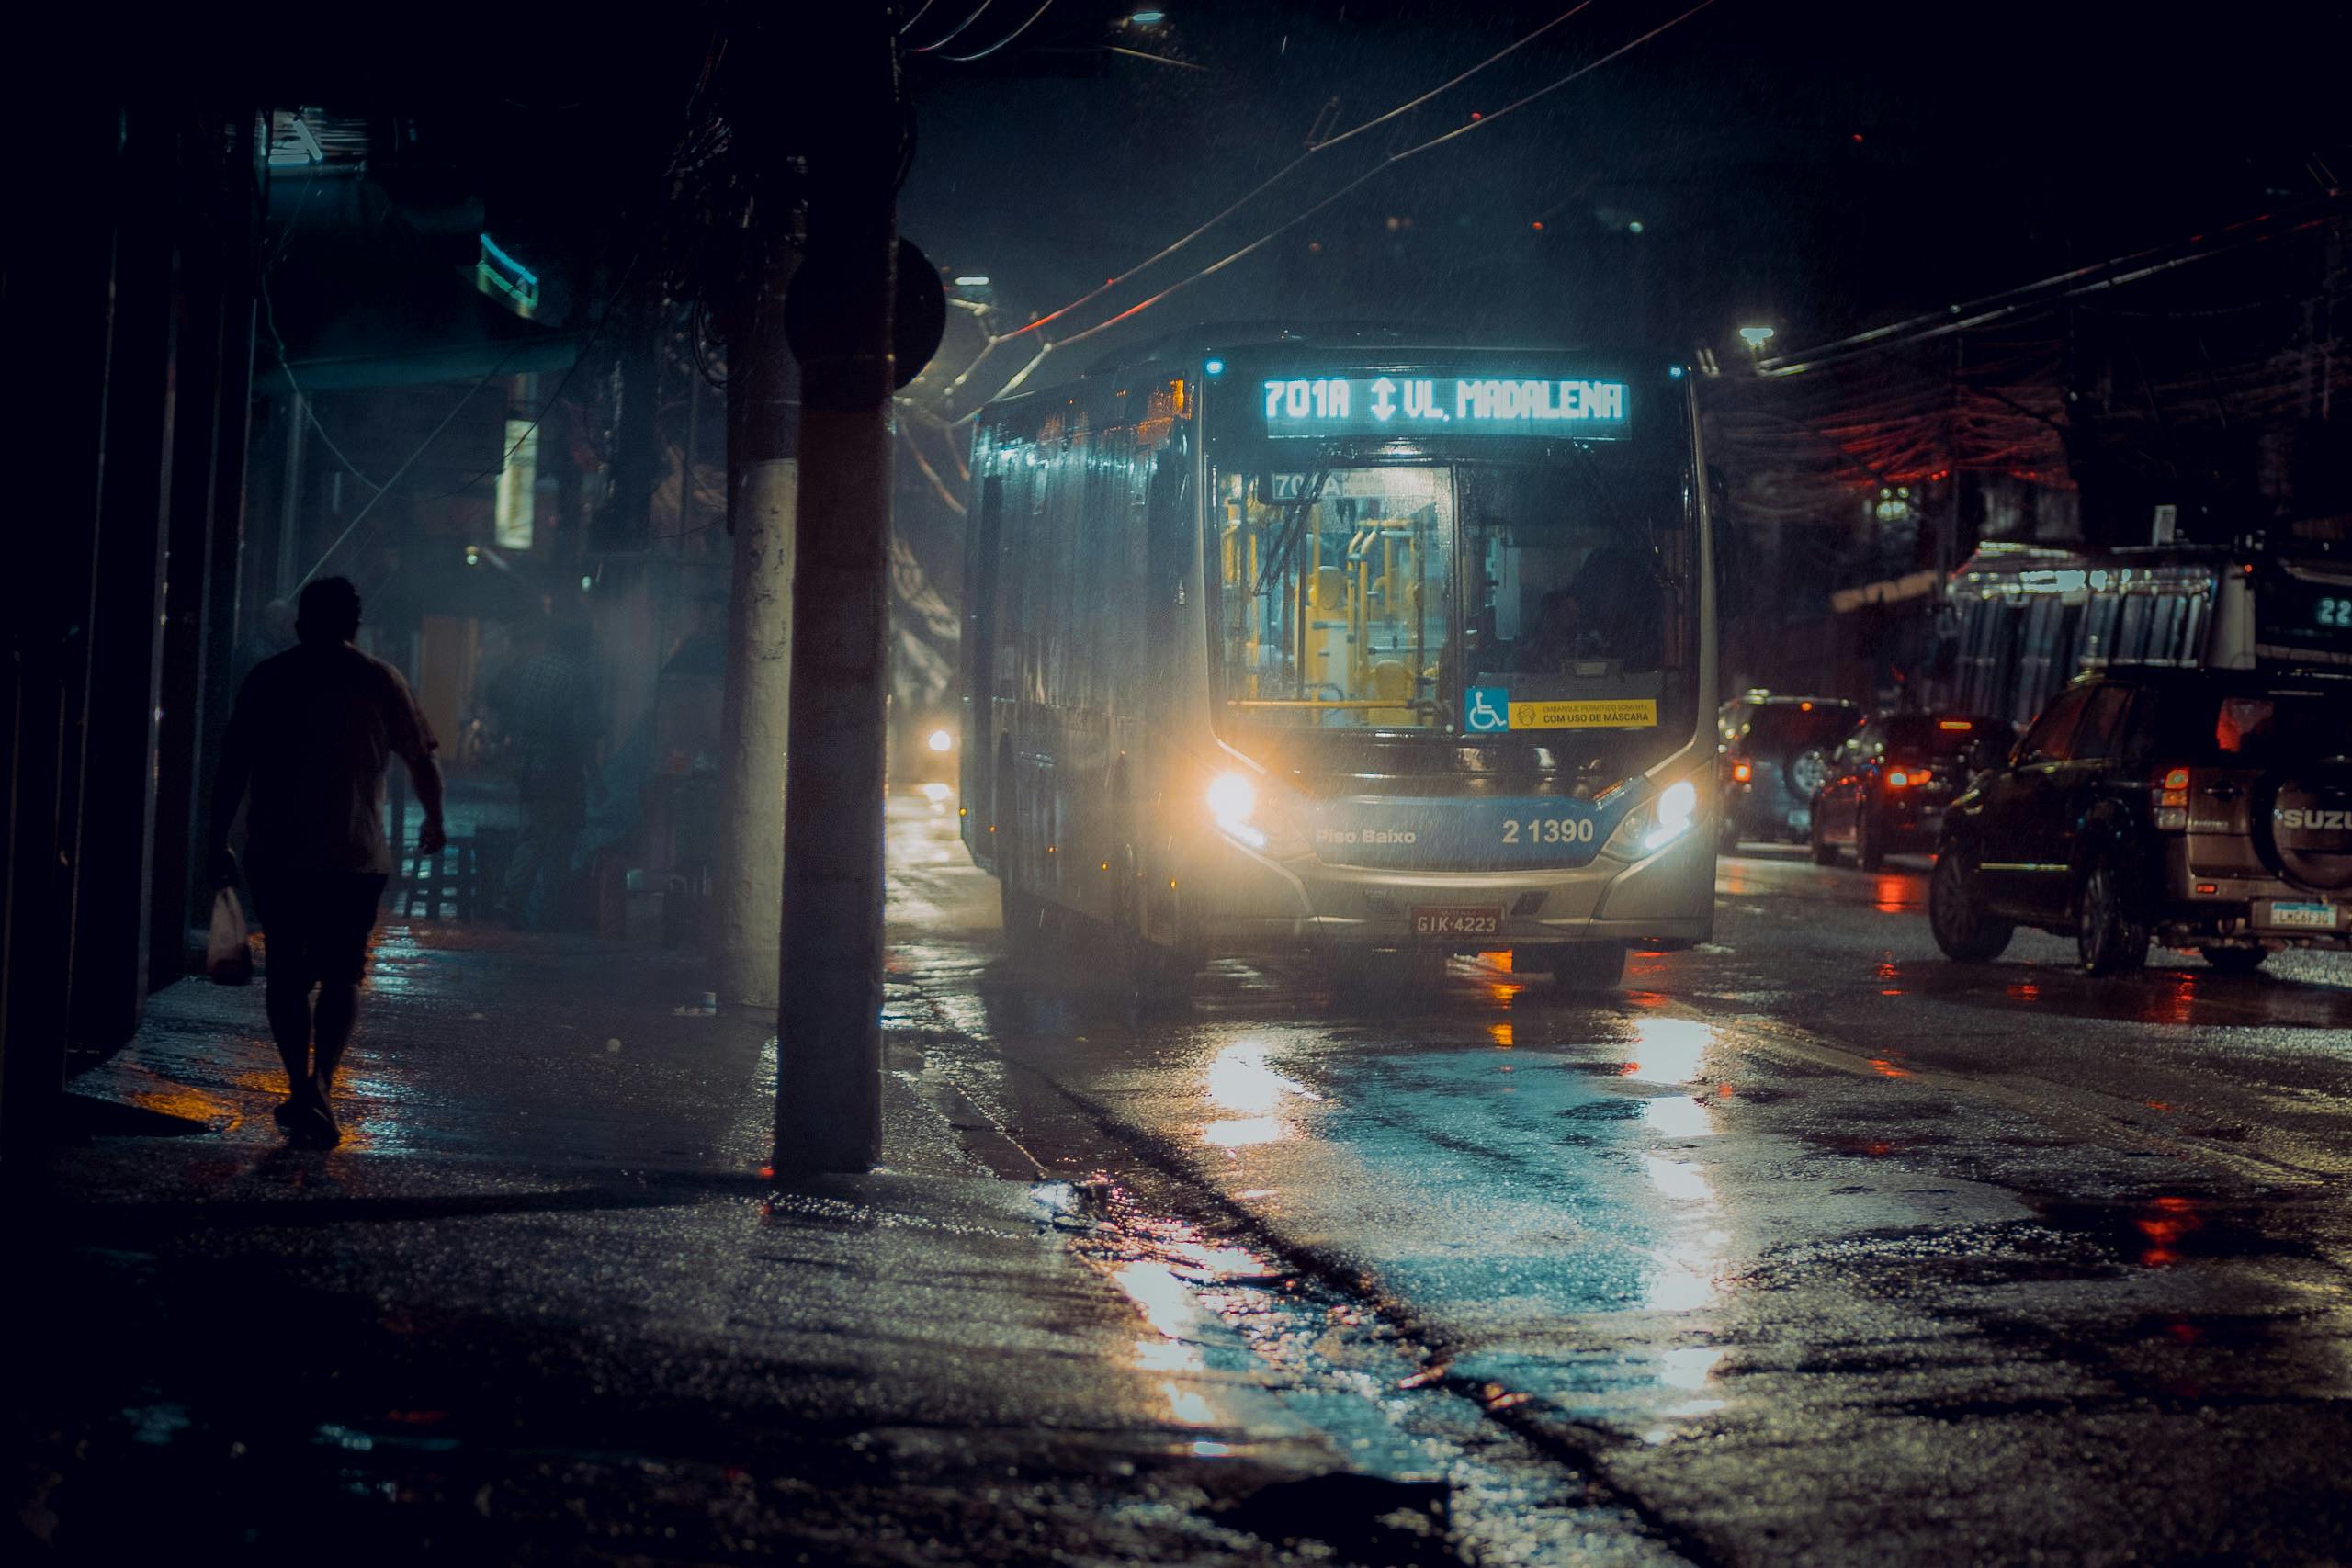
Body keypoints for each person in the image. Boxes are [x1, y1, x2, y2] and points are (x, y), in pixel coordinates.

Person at [207, 576, 444, 1149]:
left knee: (287, 972)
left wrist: (214, 837)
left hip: (279, 853)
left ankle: (299, 1084)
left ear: (299, 623)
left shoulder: (269, 678)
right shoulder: (379, 679)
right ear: (353, 625)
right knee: (342, 973)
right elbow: (421, 759)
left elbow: (232, 765)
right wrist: (435, 820)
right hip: (354, 855)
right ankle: (322, 1084)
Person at [489, 616, 599, 928]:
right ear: (580, 643)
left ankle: (511, 902)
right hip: (561, 772)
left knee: (532, 837)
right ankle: (553, 910)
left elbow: (510, 715)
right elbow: (581, 734)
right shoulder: (576, 677)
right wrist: (596, 776)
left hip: (527, 769)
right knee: (564, 839)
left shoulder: (530, 671)